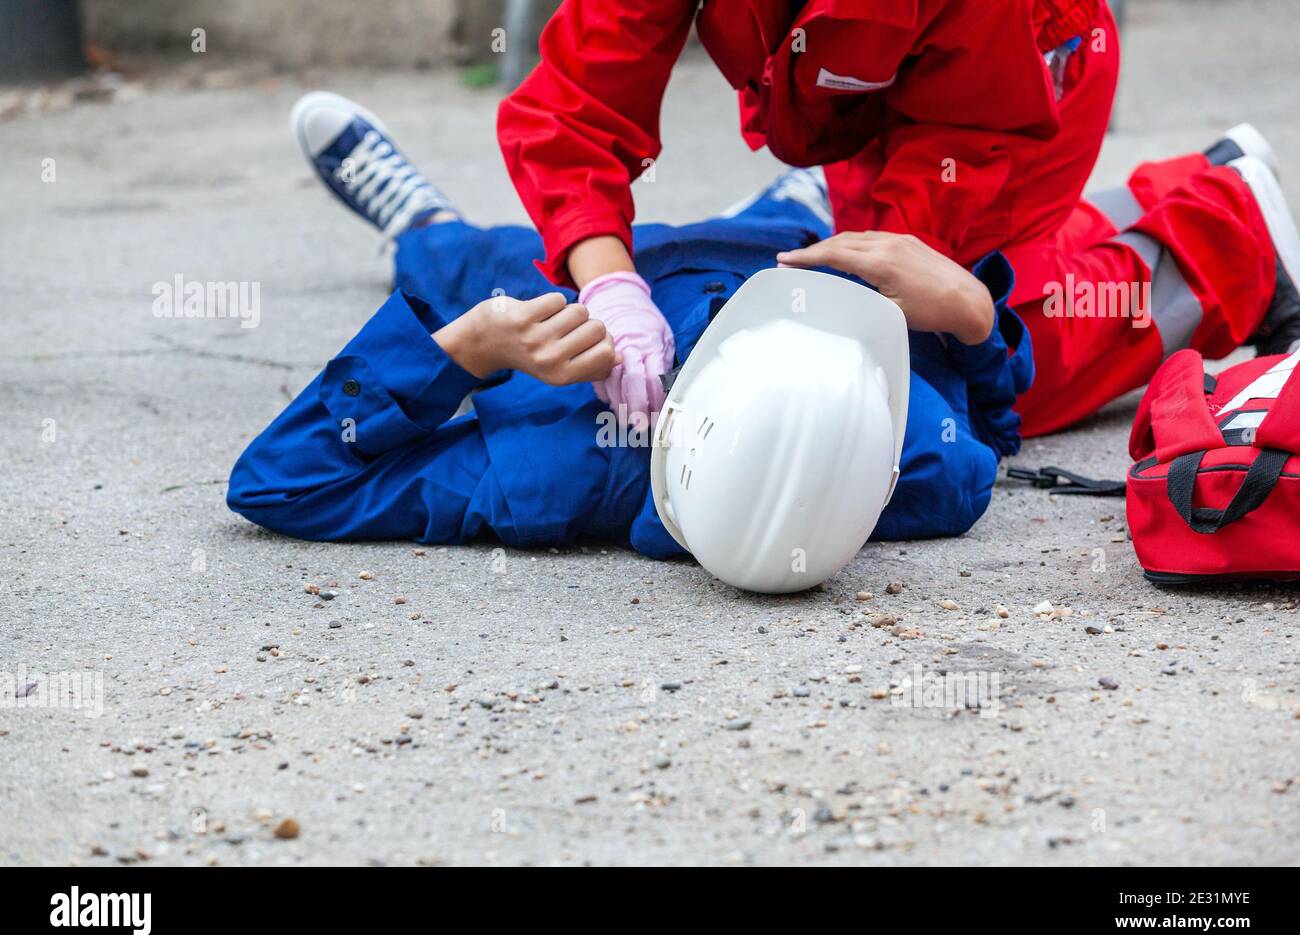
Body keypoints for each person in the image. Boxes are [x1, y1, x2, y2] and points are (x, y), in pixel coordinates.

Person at [225, 93, 1033, 559]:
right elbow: (991, 436)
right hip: (789, 254)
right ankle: (800, 198)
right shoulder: (926, 461)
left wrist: (468, 349)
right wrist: (970, 313)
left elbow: (280, 484)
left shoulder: (556, 469)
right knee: (789, 230)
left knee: (482, 264)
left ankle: (418, 219)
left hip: (607, 280)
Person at [496, 1, 1300, 443]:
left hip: (1015, 84)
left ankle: (1227, 240)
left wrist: (881, 305)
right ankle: (1153, 210)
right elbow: (578, 104)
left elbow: (967, 137)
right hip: (855, 96)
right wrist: (607, 286)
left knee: (978, 360)